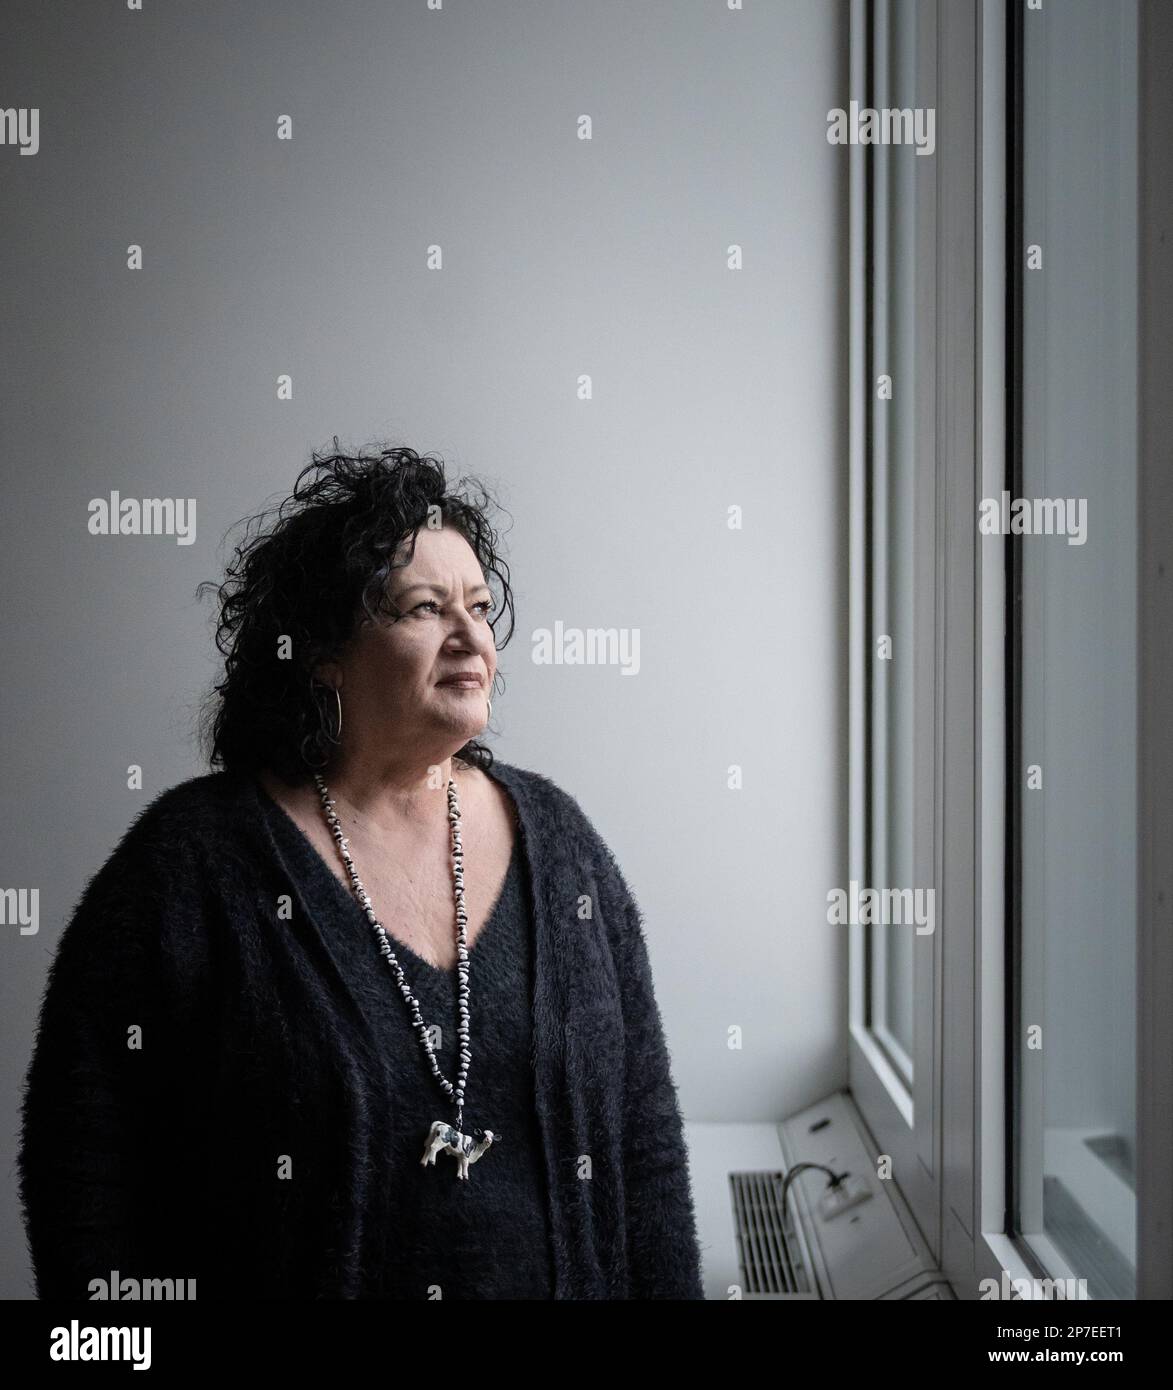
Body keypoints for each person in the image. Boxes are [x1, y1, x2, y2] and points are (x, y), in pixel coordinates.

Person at [16, 442, 706, 1300]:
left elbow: (644, 1140)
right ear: (323, 654)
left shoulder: (560, 841)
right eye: (424, 608)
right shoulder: (188, 865)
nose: (470, 638)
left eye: (480, 607)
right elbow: (84, 1167)